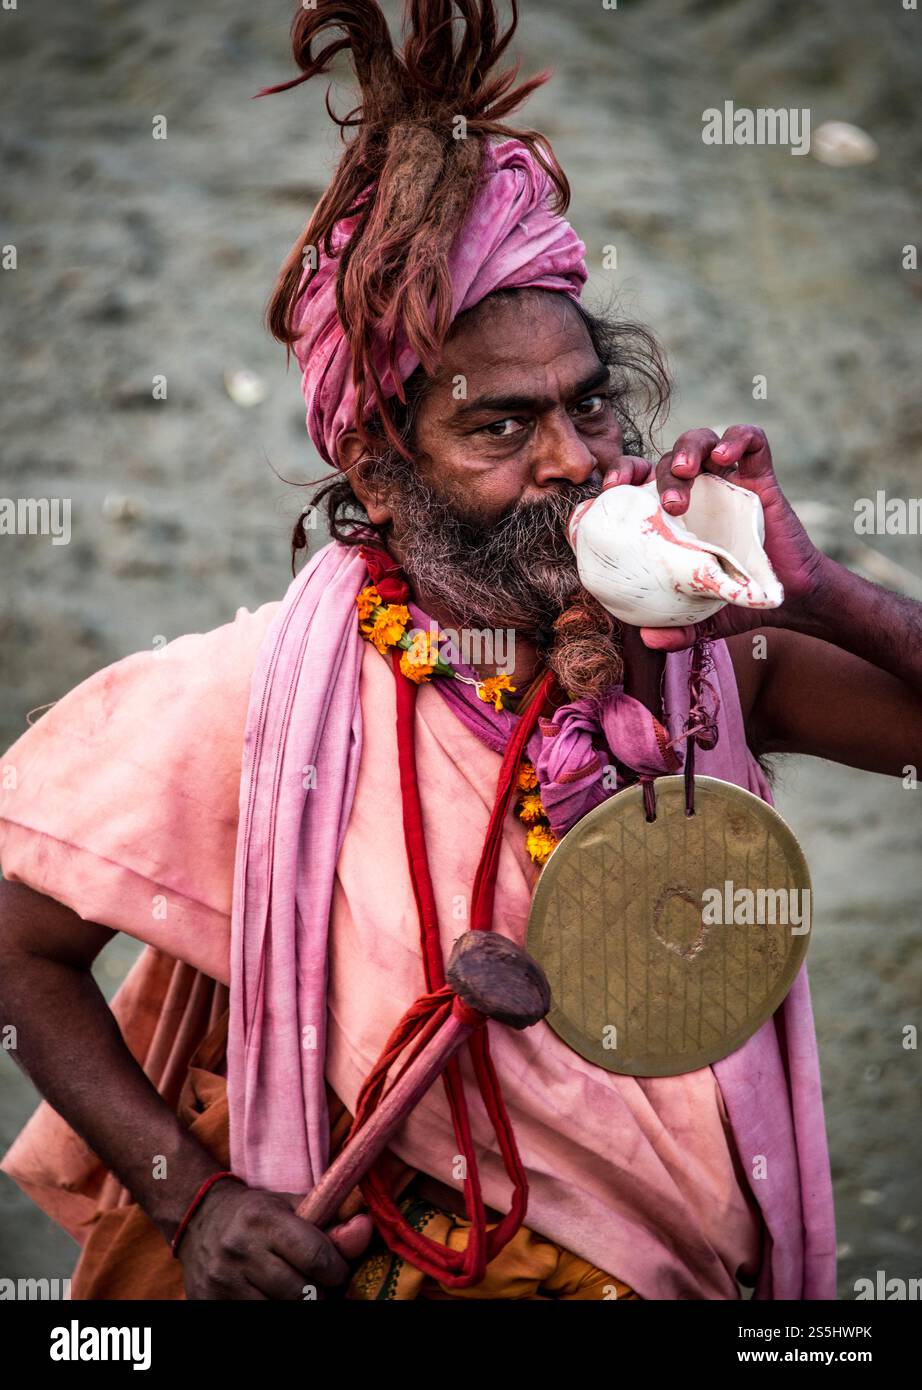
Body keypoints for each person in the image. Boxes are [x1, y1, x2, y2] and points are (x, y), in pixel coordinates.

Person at [0, 0, 920, 1302]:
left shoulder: (706, 656)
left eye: (586, 403)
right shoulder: (260, 695)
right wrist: (191, 1197)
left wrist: (812, 584)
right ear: (380, 469)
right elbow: (16, 940)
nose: (571, 459)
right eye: (500, 427)